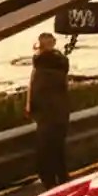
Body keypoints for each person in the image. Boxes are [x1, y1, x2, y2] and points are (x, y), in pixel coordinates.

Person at [27, 33, 71, 188]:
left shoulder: (40, 67)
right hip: (60, 112)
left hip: (47, 114)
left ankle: (51, 181)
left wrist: (32, 109)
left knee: (46, 151)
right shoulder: (60, 63)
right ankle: (62, 179)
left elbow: (34, 91)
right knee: (58, 149)